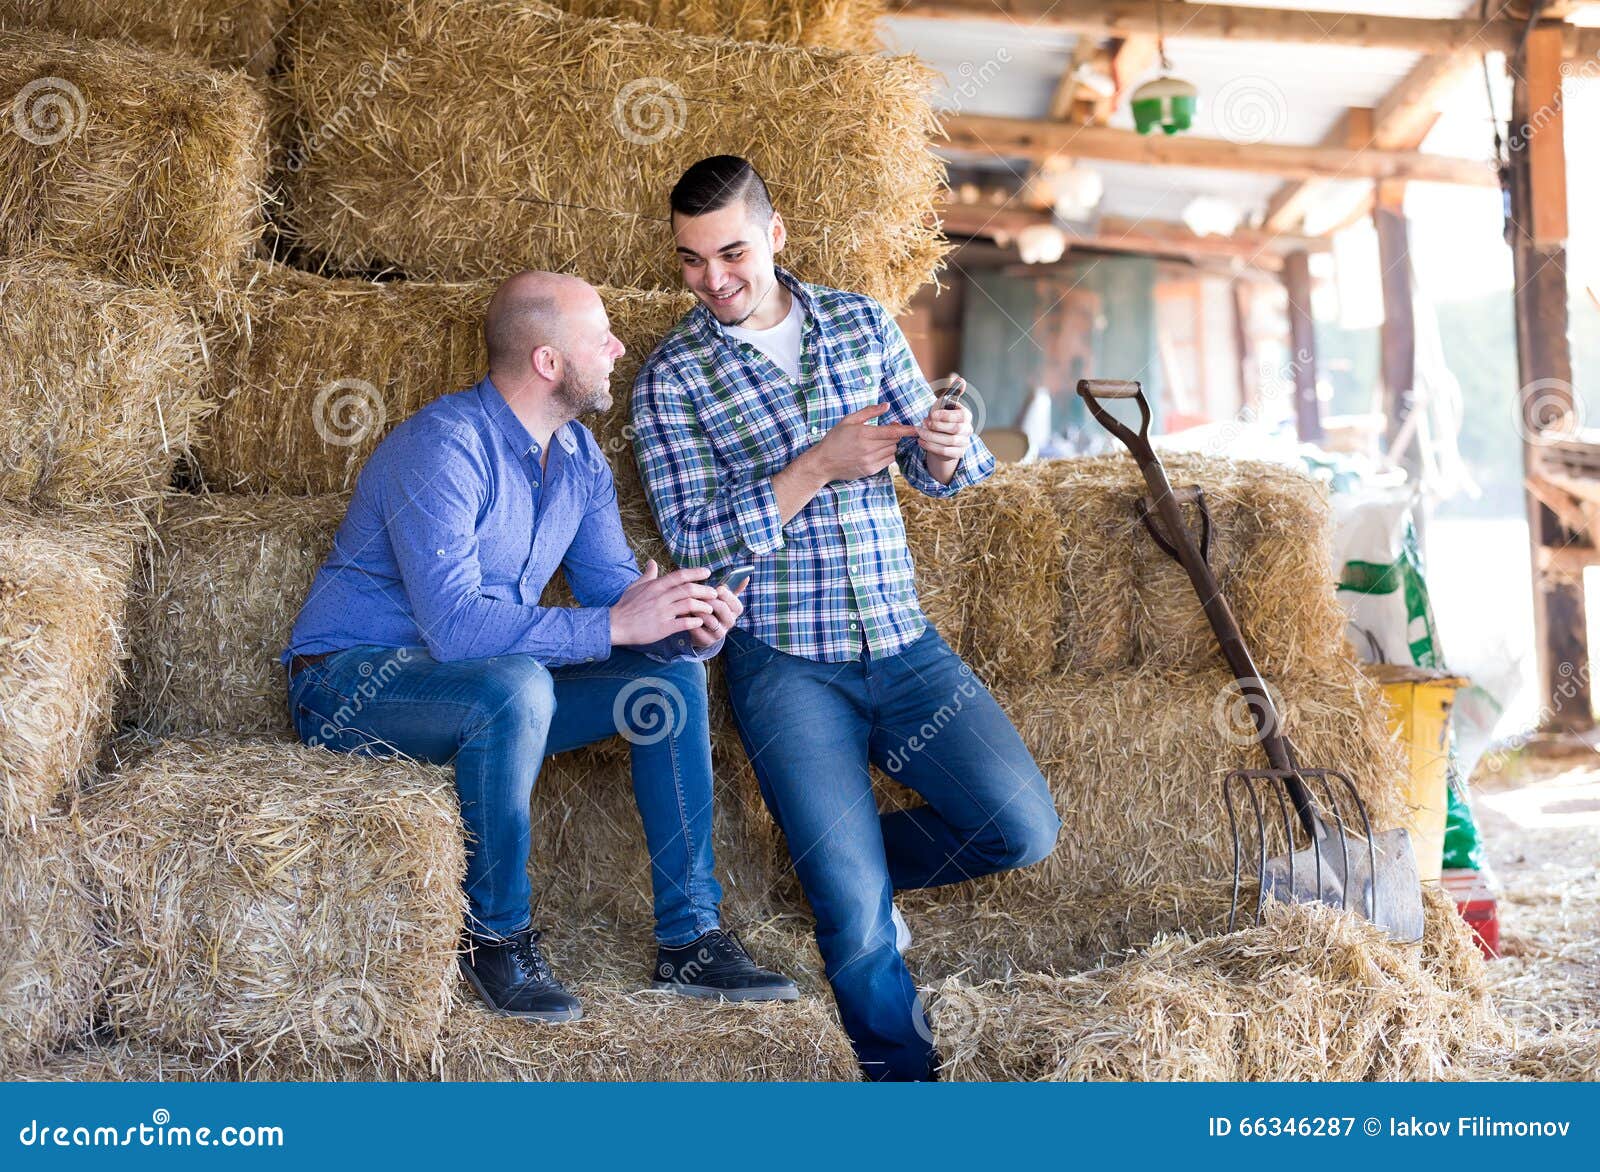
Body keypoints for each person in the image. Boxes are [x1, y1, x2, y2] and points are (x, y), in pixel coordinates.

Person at [630, 157, 1061, 1080]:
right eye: (691, 261)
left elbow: (938, 467)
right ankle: (904, 1082)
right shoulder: (671, 378)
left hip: (902, 643)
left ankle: (843, 868)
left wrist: (946, 447)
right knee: (861, 925)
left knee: (1022, 827)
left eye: (732, 252)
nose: (714, 280)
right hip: (787, 664)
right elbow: (696, 539)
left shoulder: (861, 321)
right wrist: (814, 466)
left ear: (776, 236)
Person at [283, 270, 797, 1024]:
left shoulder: (581, 458)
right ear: (549, 363)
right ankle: (497, 937)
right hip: (352, 687)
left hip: (482, 698)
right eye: (602, 336)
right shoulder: (444, 447)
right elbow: (455, 628)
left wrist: (681, 622)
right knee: (515, 685)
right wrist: (617, 627)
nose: (621, 348)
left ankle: (690, 939)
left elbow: (615, 594)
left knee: (670, 679)